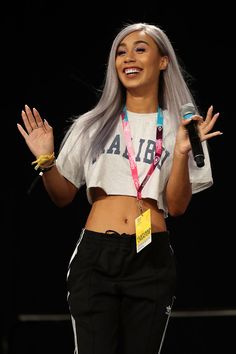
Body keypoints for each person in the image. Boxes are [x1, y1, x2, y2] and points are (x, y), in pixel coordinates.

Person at [17, 22, 222, 354]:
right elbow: (63, 195)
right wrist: (46, 161)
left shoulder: (179, 127)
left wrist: (183, 153)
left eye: (140, 49)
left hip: (151, 254)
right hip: (97, 255)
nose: (129, 57)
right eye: (121, 52)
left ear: (163, 61)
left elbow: (178, 206)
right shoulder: (92, 123)